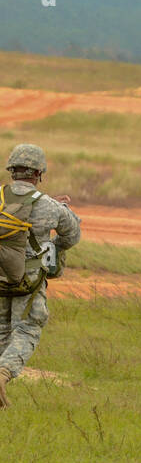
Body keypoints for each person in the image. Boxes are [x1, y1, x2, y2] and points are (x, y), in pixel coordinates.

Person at [0, 144, 81, 409]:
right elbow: (72, 235)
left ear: (12, 170)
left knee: (1, 331)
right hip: (29, 281)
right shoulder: (49, 206)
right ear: (38, 173)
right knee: (28, 328)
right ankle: (3, 374)